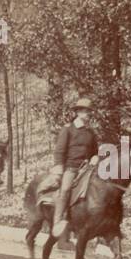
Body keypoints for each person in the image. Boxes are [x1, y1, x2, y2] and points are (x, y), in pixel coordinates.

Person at [43, 97, 100, 238]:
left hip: (87, 169)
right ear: (78, 112)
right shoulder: (68, 129)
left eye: (89, 111)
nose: (88, 114)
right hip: (71, 168)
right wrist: (59, 169)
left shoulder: (91, 132)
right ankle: (57, 222)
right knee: (66, 190)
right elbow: (59, 151)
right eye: (85, 111)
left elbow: (95, 151)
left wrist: (95, 157)